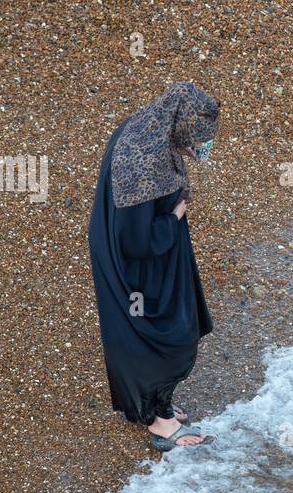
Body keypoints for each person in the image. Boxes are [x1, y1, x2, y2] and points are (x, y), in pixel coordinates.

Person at [88, 82, 219, 451]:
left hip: (155, 251)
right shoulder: (142, 160)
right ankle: (160, 422)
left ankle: (154, 405)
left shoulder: (151, 127)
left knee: (171, 321)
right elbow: (135, 241)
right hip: (135, 262)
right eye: (194, 138)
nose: (198, 148)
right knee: (160, 333)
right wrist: (176, 215)